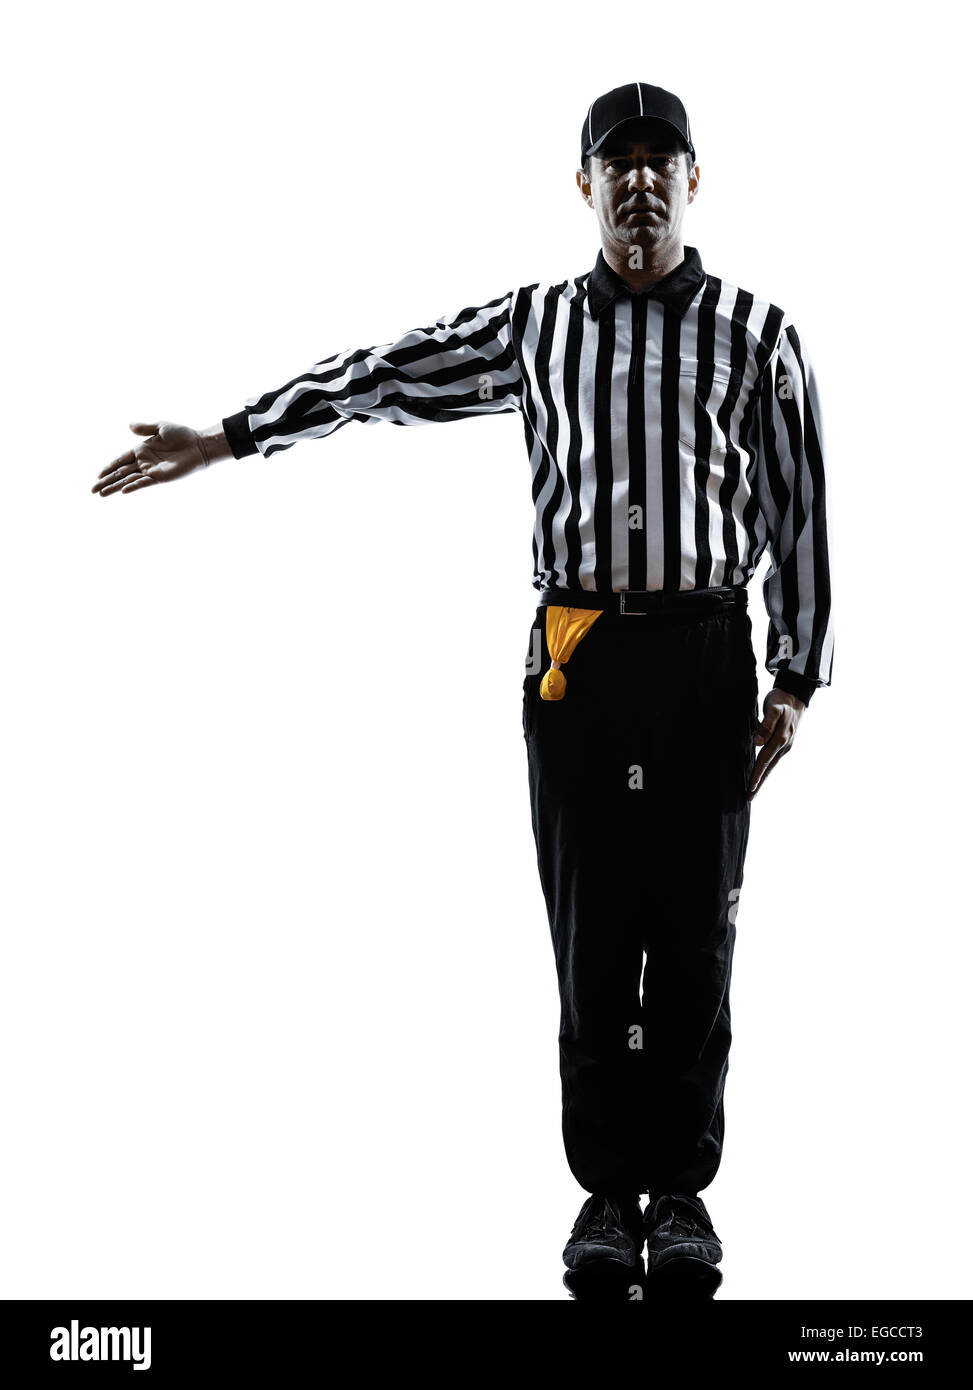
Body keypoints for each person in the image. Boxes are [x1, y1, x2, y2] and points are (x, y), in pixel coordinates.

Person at [93, 82, 833, 1298]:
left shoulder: (757, 333)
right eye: (616, 163)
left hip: (701, 654)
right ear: (583, 187)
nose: (638, 181)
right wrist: (230, 434)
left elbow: (801, 500)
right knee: (594, 930)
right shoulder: (537, 324)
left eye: (662, 161)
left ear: (695, 183)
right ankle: (605, 1191)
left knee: (694, 928)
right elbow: (383, 375)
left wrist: (797, 676)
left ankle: (684, 1194)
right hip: (579, 656)